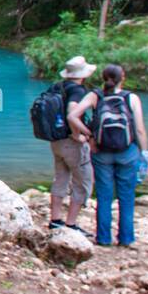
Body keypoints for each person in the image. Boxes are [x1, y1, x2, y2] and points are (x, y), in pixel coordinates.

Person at [69, 64, 148, 248]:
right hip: (127, 152)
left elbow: (72, 116)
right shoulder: (131, 98)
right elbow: (139, 129)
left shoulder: (95, 96)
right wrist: (145, 153)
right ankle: (126, 239)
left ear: (103, 77)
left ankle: (103, 238)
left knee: (104, 196)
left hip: (101, 152)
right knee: (126, 196)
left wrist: (88, 135)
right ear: (123, 77)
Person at [48, 56, 95, 234]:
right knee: (83, 181)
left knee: (60, 178)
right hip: (71, 142)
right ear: (82, 74)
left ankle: (55, 220)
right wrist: (80, 134)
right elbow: (71, 113)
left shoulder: (57, 87)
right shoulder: (77, 90)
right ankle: (71, 224)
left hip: (56, 140)